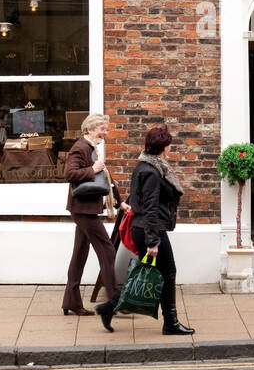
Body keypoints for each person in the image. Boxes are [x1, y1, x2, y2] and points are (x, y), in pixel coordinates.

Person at [97, 123, 194, 335]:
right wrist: (153, 241)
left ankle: (108, 307)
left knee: (146, 274)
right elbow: (150, 208)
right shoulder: (151, 171)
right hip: (151, 230)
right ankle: (171, 323)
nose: (170, 148)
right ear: (163, 146)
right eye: (168, 144)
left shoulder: (145, 165)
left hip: (144, 228)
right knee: (168, 273)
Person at [62, 113, 125, 316]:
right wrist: (92, 169)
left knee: (79, 254)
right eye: (102, 129)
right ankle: (113, 302)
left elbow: (106, 177)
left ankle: (71, 302)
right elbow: (69, 175)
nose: (105, 133)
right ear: (89, 129)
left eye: (106, 129)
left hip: (85, 209)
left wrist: (119, 202)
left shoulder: (91, 147)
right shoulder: (80, 148)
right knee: (107, 251)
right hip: (83, 210)